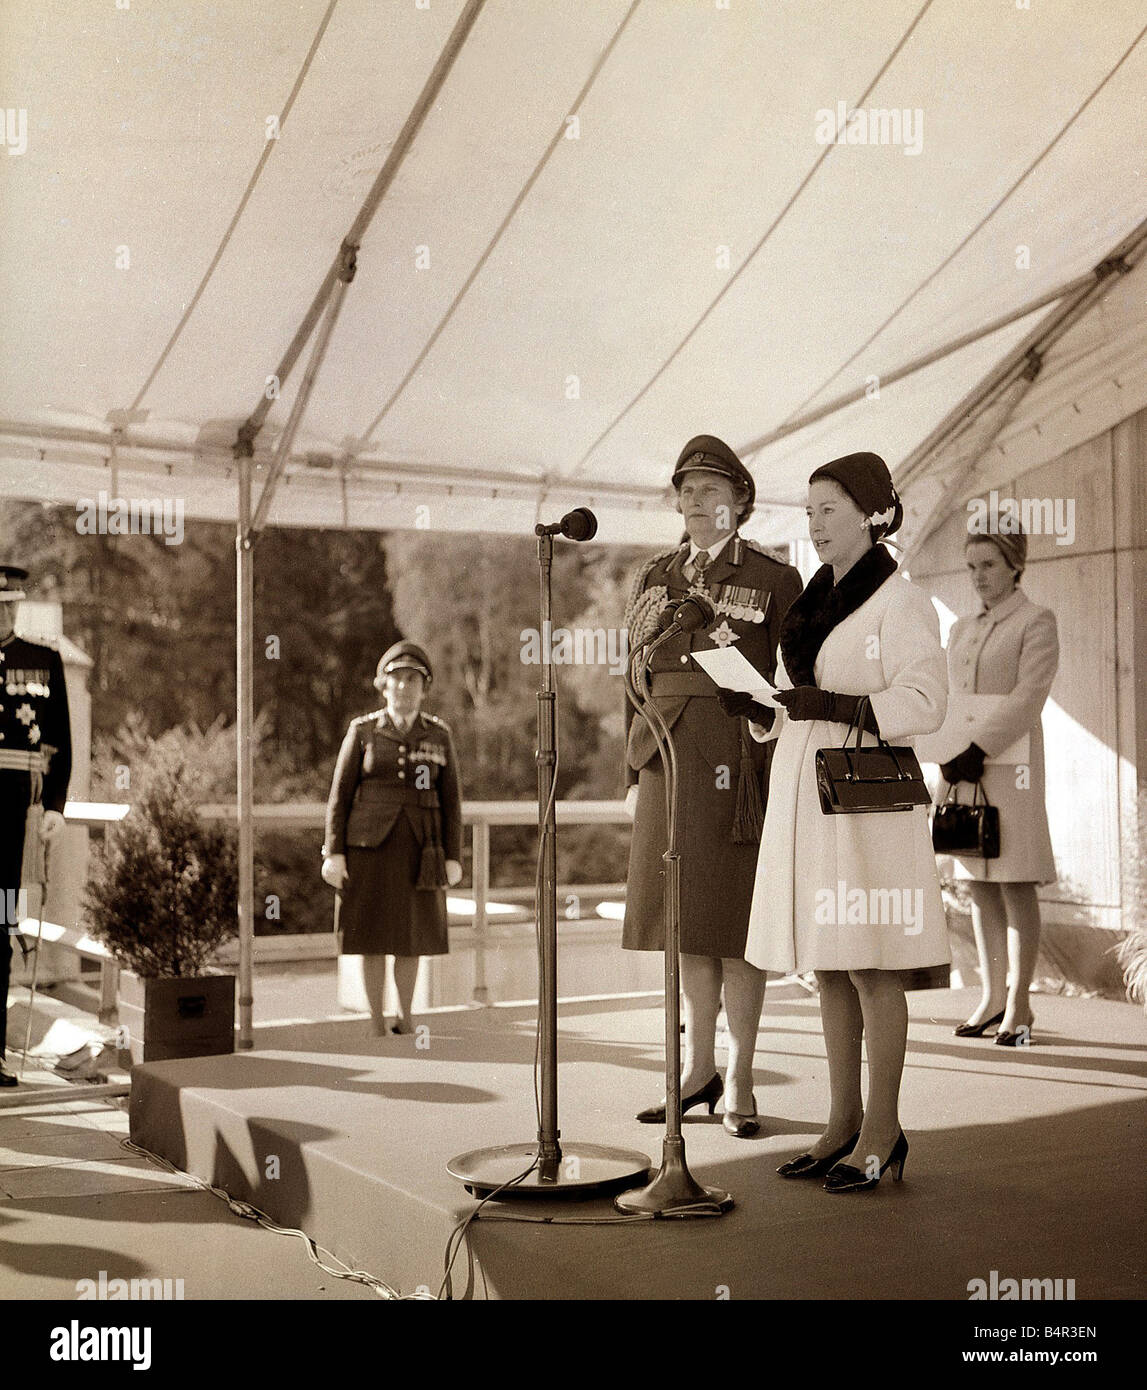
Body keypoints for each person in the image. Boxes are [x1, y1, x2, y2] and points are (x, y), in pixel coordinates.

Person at [735, 453, 948, 1190]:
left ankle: (883, 1129)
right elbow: (800, 696)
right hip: (808, 792)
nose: (814, 524)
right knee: (828, 962)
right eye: (808, 512)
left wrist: (840, 707)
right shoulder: (814, 598)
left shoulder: (901, 599)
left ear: (867, 512)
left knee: (870, 962)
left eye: (827, 509)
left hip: (864, 805)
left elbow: (924, 703)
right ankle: (839, 1122)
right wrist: (761, 711)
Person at [622, 435, 802, 1136]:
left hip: (735, 764)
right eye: (685, 490)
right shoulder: (653, 578)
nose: (694, 502)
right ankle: (698, 1071)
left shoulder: (773, 577)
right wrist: (631, 769)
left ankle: (742, 1075)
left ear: (739, 502)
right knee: (685, 928)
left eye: (708, 490)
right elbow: (630, 679)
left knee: (733, 929)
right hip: (664, 758)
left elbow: (792, 681)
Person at [943, 524, 1059, 1047]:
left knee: (1014, 882)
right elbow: (949, 696)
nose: (978, 577)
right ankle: (991, 996)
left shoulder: (1036, 621)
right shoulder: (961, 628)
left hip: (1010, 770)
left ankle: (1020, 1003)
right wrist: (948, 753)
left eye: (988, 565)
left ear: (1014, 565)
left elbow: (1029, 695)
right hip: (964, 770)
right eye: (971, 567)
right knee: (977, 884)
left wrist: (979, 747)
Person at [322, 641, 463, 1036]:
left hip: (421, 852)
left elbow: (452, 802)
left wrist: (454, 856)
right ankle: (374, 1023)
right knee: (370, 936)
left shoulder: (439, 735)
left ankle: (407, 1017)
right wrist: (334, 852)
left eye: (412, 680)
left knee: (411, 937)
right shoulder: (363, 731)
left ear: (424, 687)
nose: (404, 687)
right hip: (367, 850)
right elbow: (340, 796)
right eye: (396, 679)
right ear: (383, 686)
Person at [0, 564, 72, 1086]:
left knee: (1, 924)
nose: (3, 613)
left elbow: (59, 738)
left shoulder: (41, 660)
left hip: (8, 822)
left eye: (9, 605)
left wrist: (54, 806)